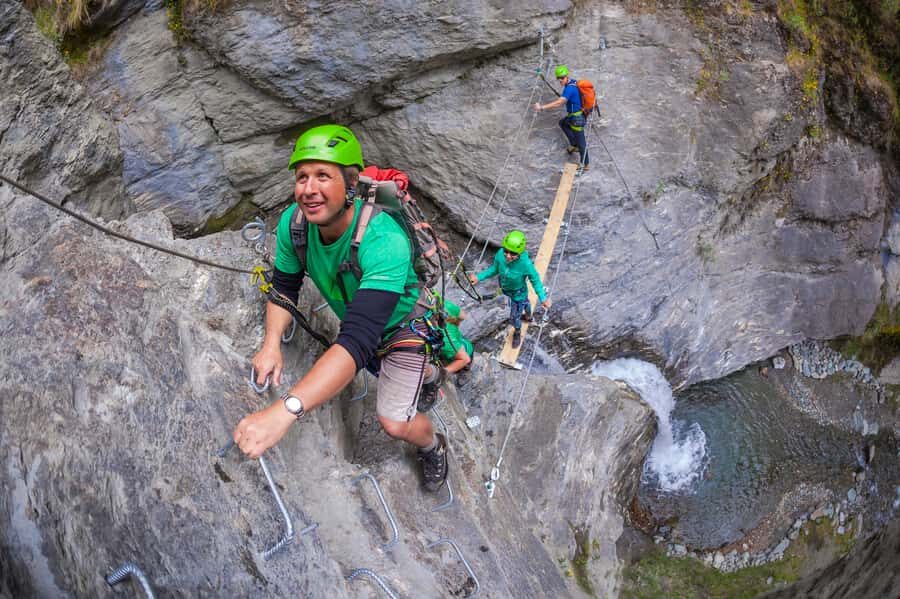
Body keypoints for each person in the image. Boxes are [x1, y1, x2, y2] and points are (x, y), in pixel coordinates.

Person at [233, 124, 448, 492]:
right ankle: (428, 376)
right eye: (302, 177)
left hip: (403, 326)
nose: (309, 189)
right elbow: (285, 287)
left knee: (395, 421)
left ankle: (434, 444)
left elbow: (358, 341)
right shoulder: (294, 225)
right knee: (395, 368)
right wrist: (271, 343)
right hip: (361, 319)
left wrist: (283, 412)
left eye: (322, 176)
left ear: (351, 185)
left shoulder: (384, 240)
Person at [468, 230, 551, 349]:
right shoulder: (500, 254)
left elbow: (535, 281)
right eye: (506, 250)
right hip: (505, 286)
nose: (507, 255)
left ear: (520, 252)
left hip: (518, 292)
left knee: (514, 317)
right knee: (525, 302)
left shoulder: (526, 264)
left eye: (512, 253)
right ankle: (528, 315)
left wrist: (543, 298)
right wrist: (479, 277)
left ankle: (517, 330)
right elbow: (494, 269)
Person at [533, 65, 590, 173]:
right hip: (575, 115)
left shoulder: (569, 88)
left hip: (577, 119)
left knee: (582, 143)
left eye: (562, 78)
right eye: (558, 78)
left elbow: (559, 103)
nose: (560, 80)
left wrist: (541, 107)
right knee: (563, 123)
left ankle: (585, 164)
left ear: (566, 76)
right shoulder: (572, 82)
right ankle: (574, 145)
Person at [437, 297, 474, 383]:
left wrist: (440, 373)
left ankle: (464, 370)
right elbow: (463, 316)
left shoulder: (444, 339)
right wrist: (454, 326)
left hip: (461, 350)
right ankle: (464, 369)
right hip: (461, 342)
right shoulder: (442, 304)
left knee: (463, 361)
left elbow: (465, 359)